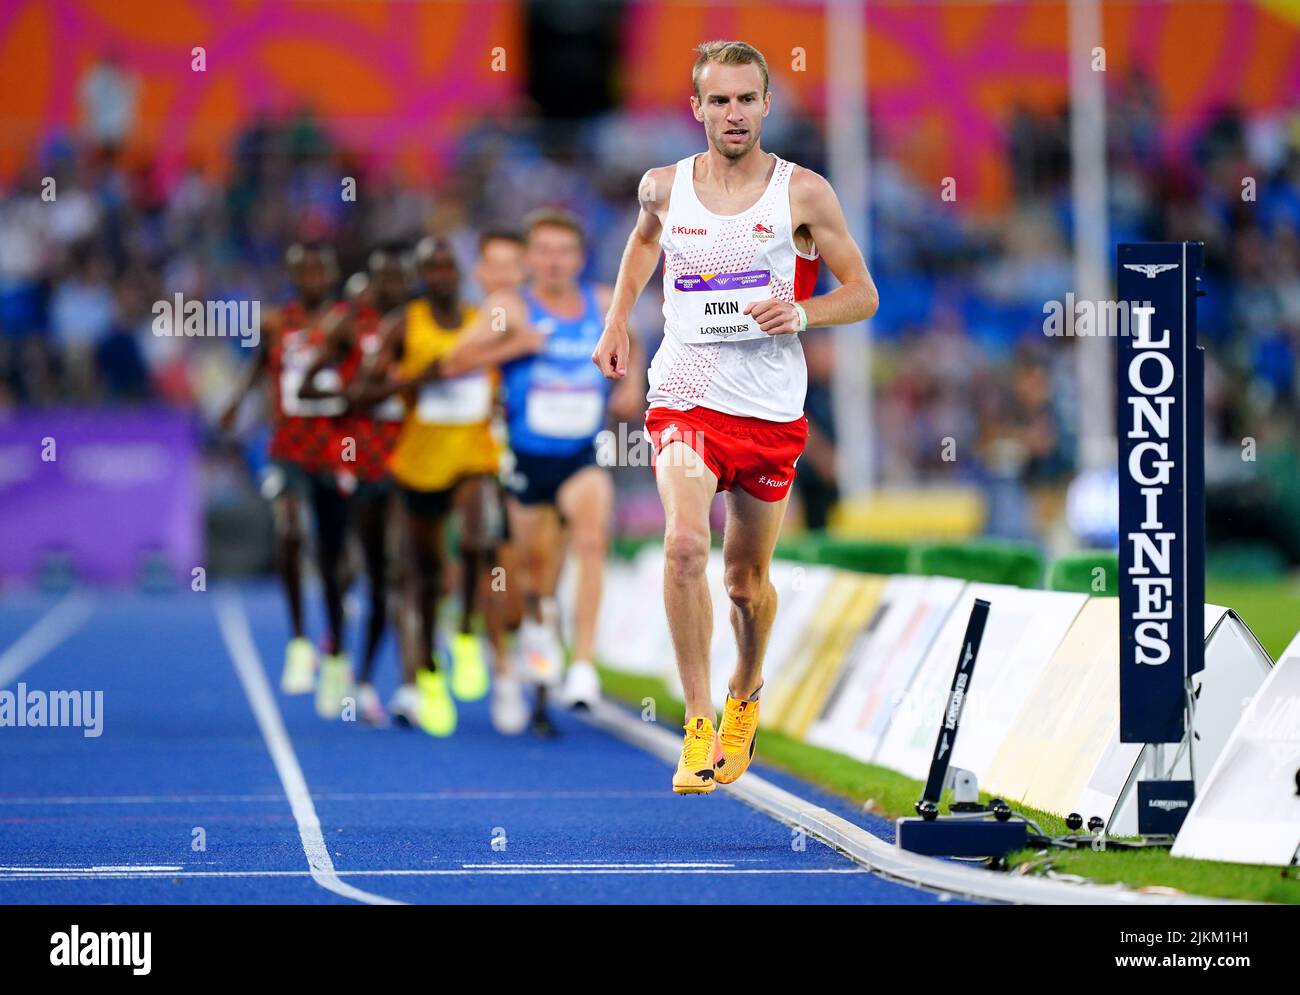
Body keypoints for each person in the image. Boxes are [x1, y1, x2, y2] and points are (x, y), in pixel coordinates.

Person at [593, 40, 879, 793]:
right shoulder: (663, 186)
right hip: (683, 395)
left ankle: (743, 692)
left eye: (746, 99)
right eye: (718, 100)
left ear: (765, 105)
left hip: (769, 413)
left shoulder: (803, 194)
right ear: (697, 108)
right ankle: (695, 722)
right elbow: (642, 245)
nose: (733, 113)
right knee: (685, 544)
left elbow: (864, 294)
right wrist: (619, 318)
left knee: (745, 583)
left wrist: (804, 310)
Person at [440, 209, 643, 735]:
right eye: (544, 252)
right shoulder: (509, 307)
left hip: (581, 453)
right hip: (526, 461)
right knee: (531, 574)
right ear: (530, 260)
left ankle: (582, 667)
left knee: (592, 538)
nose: (554, 262)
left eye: (564, 252)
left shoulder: (601, 302)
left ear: (579, 258)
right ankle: (528, 644)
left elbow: (632, 341)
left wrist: (629, 385)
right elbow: (453, 363)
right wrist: (516, 345)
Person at [353, 237, 526, 736]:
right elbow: (361, 393)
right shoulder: (403, 324)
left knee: (476, 538)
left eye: (449, 267)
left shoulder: (483, 319)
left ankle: (468, 634)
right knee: (426, 576)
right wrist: (414, 382)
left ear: (462, 273)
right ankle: (429, 672)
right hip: (420, 463)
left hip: (475, 457)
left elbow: (513, 360)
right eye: (431, 269)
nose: (442, 276)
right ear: (421, 277)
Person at [219, 242, 353, 702]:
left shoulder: (349, 322)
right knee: (291, 531)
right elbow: (257, 365)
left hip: (337, 448)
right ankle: (299, 642)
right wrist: (235, 403)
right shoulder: (276, 322)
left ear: (332, 275)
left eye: (320, 270)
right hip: (288, 446)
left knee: (336, 560)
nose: (313, 279)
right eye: (304, 272)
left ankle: (335, 651)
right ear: (294, 277)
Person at [296, 251, 411, 722]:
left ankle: (365, 679)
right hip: (354, 458)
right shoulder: (348, 328)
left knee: (389, 570)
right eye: (377, 282)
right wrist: (349, 397)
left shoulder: (416, 325)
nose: (385, 289)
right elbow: (304, 388)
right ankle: (337, 654)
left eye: (393, 279)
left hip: (402, 459)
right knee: (343, 564)